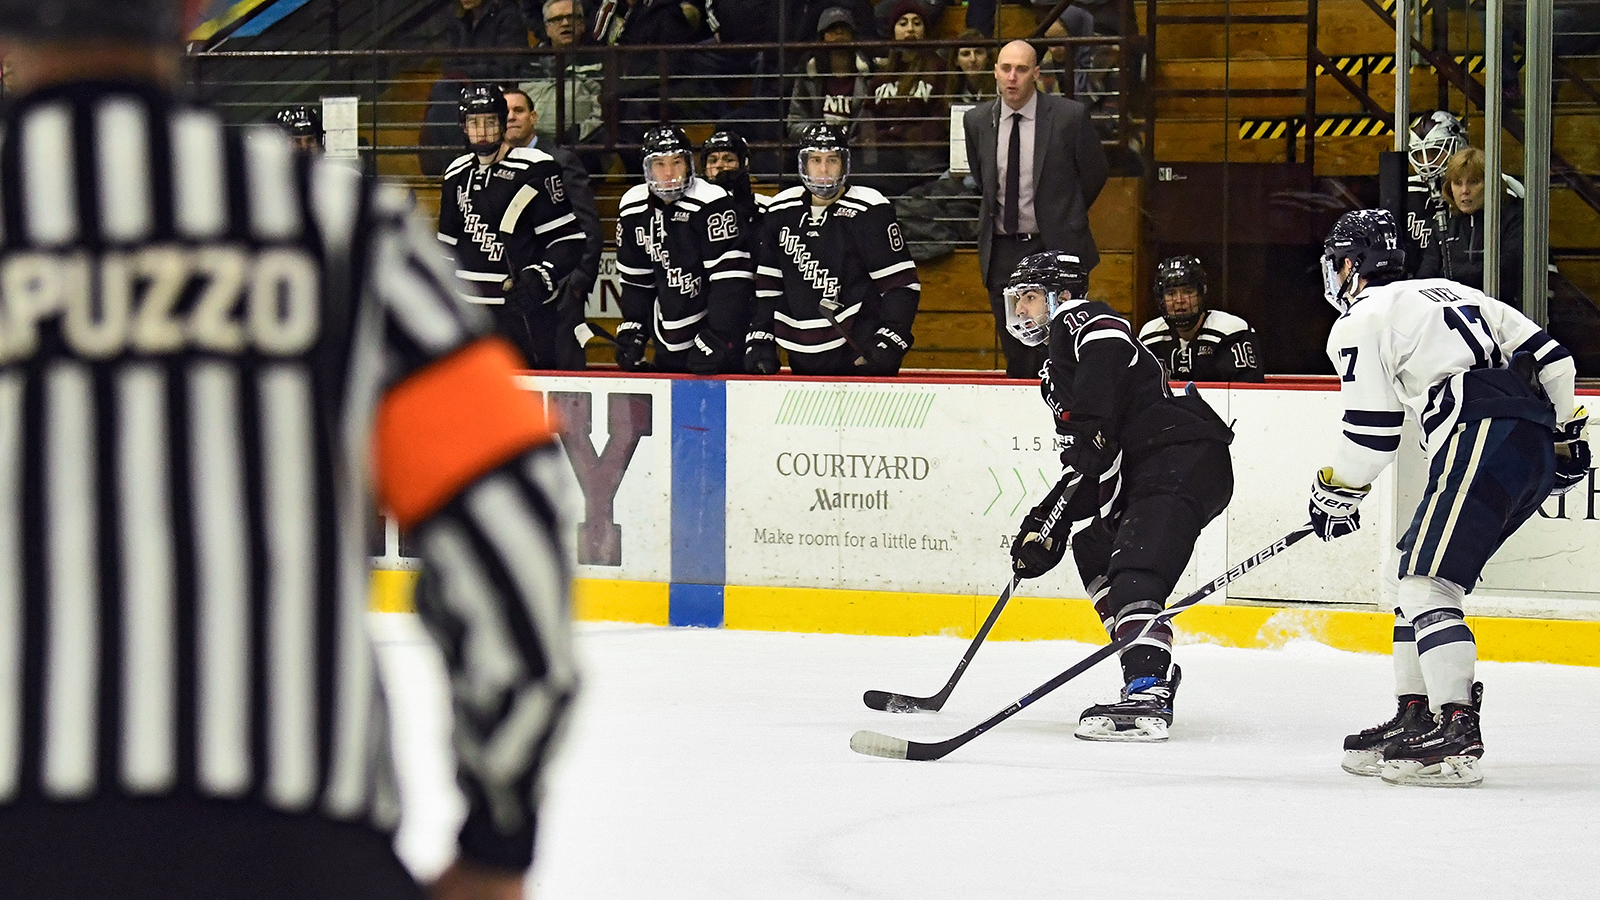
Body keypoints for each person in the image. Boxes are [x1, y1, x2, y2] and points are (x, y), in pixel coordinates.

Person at [0, 2, 578, 898]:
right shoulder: (336, 224)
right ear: (192, 14)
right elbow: (514, 532)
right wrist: (498, 837)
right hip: (293, 842)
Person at [1310, 208, 1584, 787]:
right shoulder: (1453, 289)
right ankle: (1416, 714)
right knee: (1404, 573)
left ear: (1353, 265)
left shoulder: (1362, 319)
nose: (1334, 275)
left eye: (1338, 262)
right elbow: (1555, 358)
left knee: (1425, 582)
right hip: (1524, 441)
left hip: (1481, 433)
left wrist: (1337, 490)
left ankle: (1455, 727)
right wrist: (1563, 436)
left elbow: (1373, 431)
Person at [1005, 252, 1234, 742]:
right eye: (1017, 300)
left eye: (1030, 298)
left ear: (1061, 296)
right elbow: (1093, 466)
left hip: (1180, 455)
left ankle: (1148, 691)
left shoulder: (1081, 319)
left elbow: (1108, 342)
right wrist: (1050, 520)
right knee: (1093, 548)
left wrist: (1089, 427)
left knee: (1135, 570)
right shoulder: (1053, 371)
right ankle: (1143, 653)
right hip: (1150, 468)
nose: (1021, 311)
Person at [964, 40, 1108, 378]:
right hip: (1002, 249)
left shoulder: (1068, 117)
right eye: (1005, 68)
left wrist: (1063, 213)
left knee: (1060, 351)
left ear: (1036, 74)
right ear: (995, 72)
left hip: (1052, 245)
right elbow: (982, 179)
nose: (1012, 77)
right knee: (1016, 352)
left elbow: (1095, 174)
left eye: (1022, 69)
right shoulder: (977, 120)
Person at [748, 124, 921, 375]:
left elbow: (901, 285)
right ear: (803, 164)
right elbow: (768, 284)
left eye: (832, 160)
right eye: (815, 160)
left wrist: (890, 340)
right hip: (801, 354)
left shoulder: (869, 209)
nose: (824, 170)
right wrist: (761, 336)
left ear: (845, 163)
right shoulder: (781, 209)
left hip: (857, 353)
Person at [439, 85, 589, 368]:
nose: (482, 131)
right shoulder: (456, 173)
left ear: (502, 122)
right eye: (474, 122)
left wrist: (541, 276)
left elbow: (569, 240)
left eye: (490, 122)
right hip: (471, 316)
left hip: (523, 314)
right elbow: (447, 246)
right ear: (463, 127)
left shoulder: (536, 168)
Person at [614, 125, 755, 373]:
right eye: (659, 164)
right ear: (647, 168)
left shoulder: (713, 202)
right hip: (667, 338)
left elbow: (731, 282)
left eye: (677, 162)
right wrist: (634, 325)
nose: (669, 173)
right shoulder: (632, 207)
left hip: (716, 343)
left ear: (689, 163)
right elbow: (637, 282)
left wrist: (720, 336)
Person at [502, 86, 605, 367]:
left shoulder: (560, 160)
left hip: (559, 291)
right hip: (517, 296)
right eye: (506, 112)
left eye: (518, 110)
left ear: (533, 117)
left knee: (564, 373)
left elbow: (588, 228)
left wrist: (575, 286)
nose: (511, 117)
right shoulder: (494, 167)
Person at [1417, 147, 1526, 311]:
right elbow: (1425, 279)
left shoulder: (1512, 218)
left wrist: (1451, 278)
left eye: (1474, 182)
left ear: (1491, 183)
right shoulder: (1443, 223)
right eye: (1457, 183)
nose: (1464, 191)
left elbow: (1505, 272)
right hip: (1453, 319)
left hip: (1503, 316)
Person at [860, 0, 952, 193]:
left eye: (917, 23)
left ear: (925, 30)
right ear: (892, 31)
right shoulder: (881, 76)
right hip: (883, 158)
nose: (910, 29)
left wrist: (903, 135)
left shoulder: (938, 69)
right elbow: (868, 118)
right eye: (903, 23)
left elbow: (941, 117)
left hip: (922, 158)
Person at [1137, 255, 1264, 382]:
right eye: (1171, 293)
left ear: (1200, 294)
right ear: (1161, 299)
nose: (1179, 300)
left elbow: (1247, 394)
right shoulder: (1150, 337)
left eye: (1188, 292)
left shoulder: (1231, 333)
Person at [521, 0, 605, 152]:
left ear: (582, 24)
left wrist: (577, 136)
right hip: (530, 145)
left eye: (572, 17)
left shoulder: (598, 61)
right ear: (547, 28)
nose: (566, 23)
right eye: (557, 19)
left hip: (582, 146)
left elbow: (601, 112)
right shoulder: (528, 64)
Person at [786, 7, 875, 143]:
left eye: (844, 27)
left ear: (853, 34)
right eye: (832, 28)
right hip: (818, 148)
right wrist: (821, 135)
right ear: (822, 36)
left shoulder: (870, 73)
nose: (839, 32)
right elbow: (795, 123)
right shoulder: (808, 74)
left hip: (858, 151)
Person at [702, 129, 772, 259]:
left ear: (744, 164)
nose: (720, 166)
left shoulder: (767, 208)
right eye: (713, 160)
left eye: (728, 160)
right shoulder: (694, 210)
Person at [951, 29, 994, 104]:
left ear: (988, 58)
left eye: (978, 52)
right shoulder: (952, 90)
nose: (973, 59)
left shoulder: (999, 88)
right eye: (965, 54)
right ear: (956, 61)